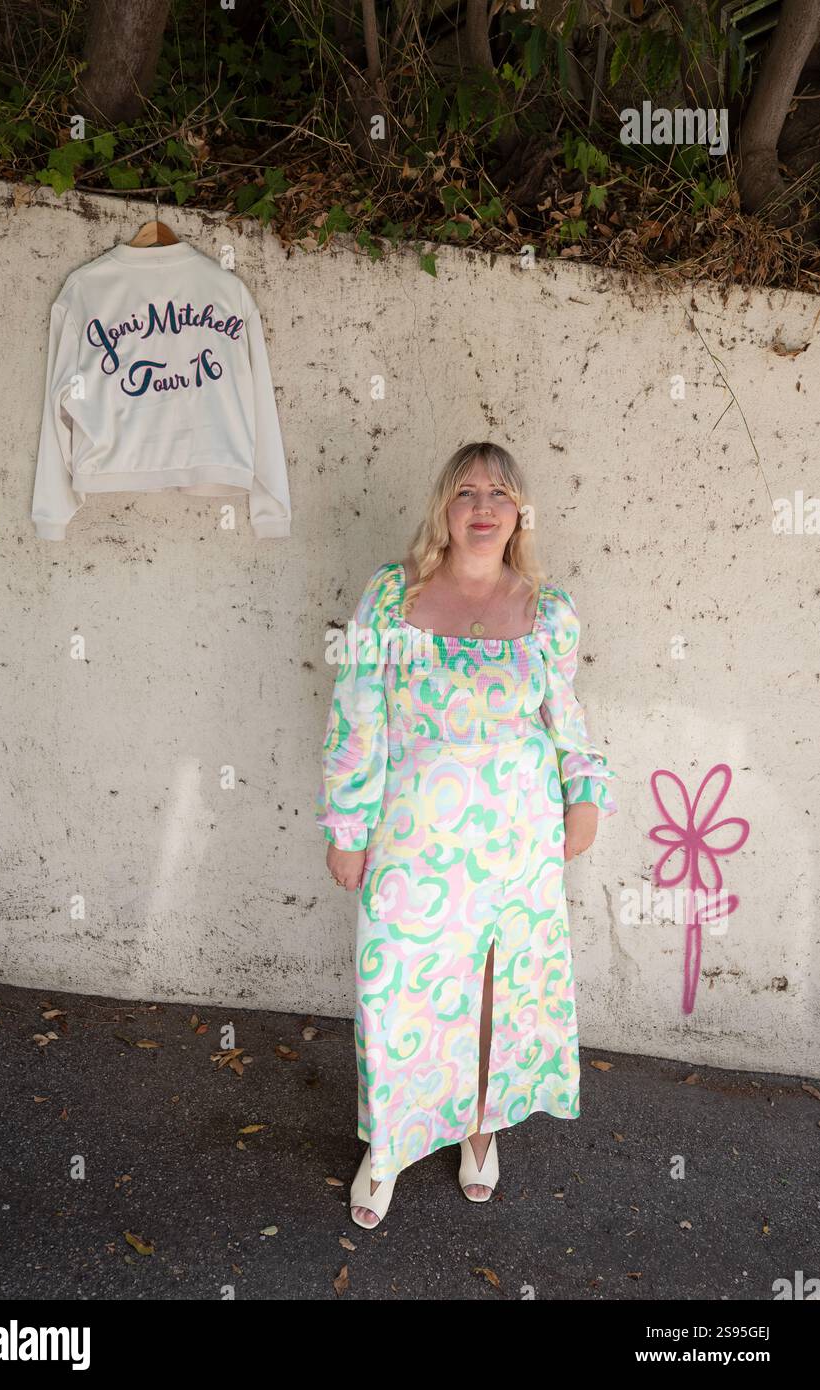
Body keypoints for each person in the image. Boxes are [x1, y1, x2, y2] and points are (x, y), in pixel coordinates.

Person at [315, 441, 618, 1228]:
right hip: (413, 835)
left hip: (516, 836)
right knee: (397, 990)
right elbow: (355, 717)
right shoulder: (391, 595)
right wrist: (348, 828)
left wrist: (583, 795)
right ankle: (387, 1145)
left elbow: (566, 716)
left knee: (496, 989)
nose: (482, 506)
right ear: (443, 510)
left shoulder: (548, 610)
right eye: (465, 492)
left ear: (519, 512)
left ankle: (479, 1130)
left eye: (498, 493)